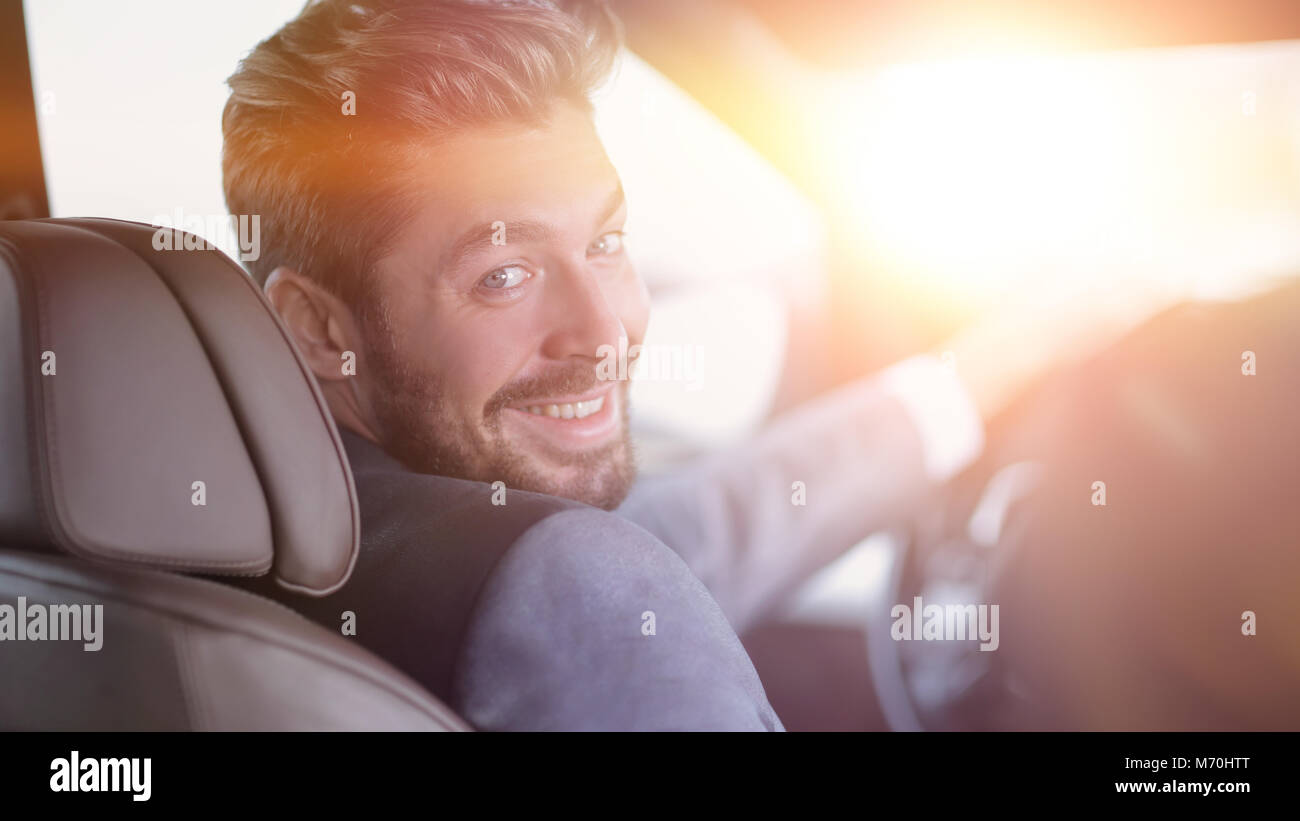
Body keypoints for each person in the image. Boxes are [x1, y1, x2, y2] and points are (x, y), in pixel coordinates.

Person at [220, 0, 1126, 730]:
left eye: (607, 241)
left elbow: (668, 542)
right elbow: (596, 582)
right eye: (505, 273)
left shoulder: (239, 541)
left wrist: (965, 385)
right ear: (315, 324)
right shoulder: (572, 586)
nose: (607, 328)